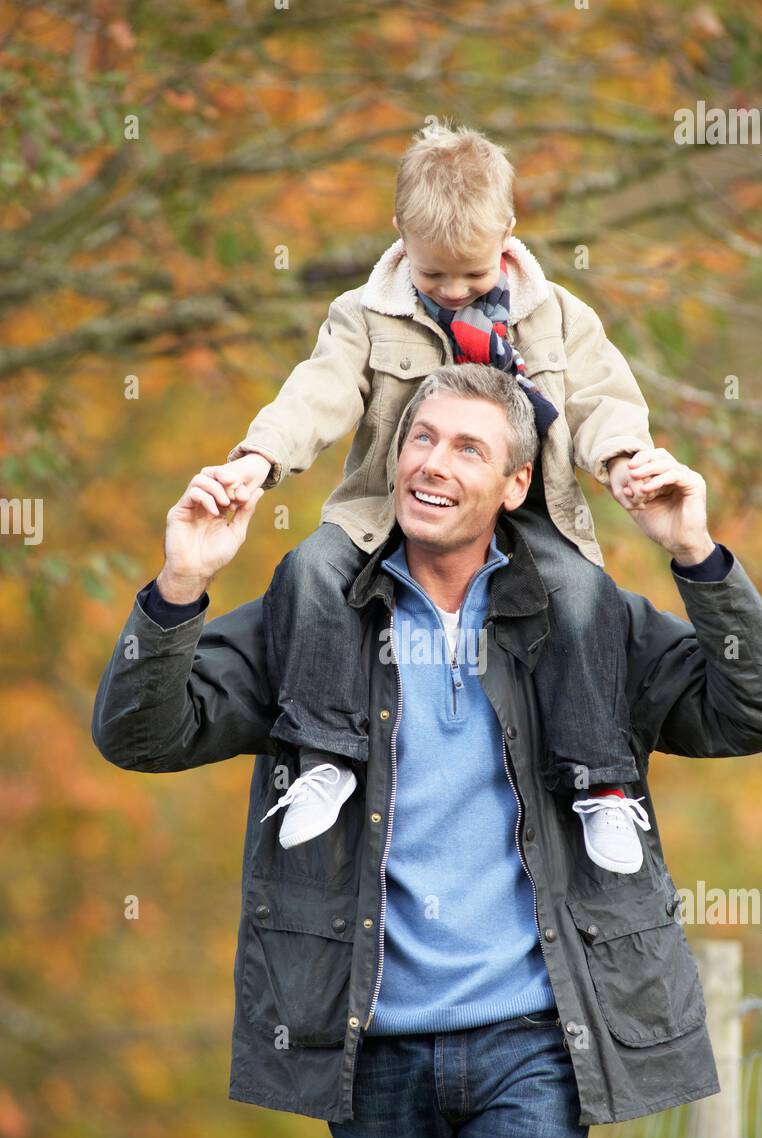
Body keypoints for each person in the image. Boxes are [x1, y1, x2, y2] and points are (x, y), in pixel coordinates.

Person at [92, 364, 762, 1138]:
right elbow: (142, 734)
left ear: (515, 486)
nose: (433, 463)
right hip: (372, 1044)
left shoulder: (586, 622)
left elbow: (760, 711)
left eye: (469, 447)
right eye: (420, 439)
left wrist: (696, 555)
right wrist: (181, 580)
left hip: (535, 1044)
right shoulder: (315, 619)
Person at [202, 117, 662, 872]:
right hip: (392, 512)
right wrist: (260, 457)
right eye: (433, 277)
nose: (452, 292)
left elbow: (603, 400)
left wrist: (624, 461)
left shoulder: (555, 316)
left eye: (472, 279)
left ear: (509, 235)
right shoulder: (366, 314)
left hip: (526, 511)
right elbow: (318, 392)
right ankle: (327, 755)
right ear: (399, 237)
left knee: (584, 597)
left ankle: (600, 784)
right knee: (311, 572)